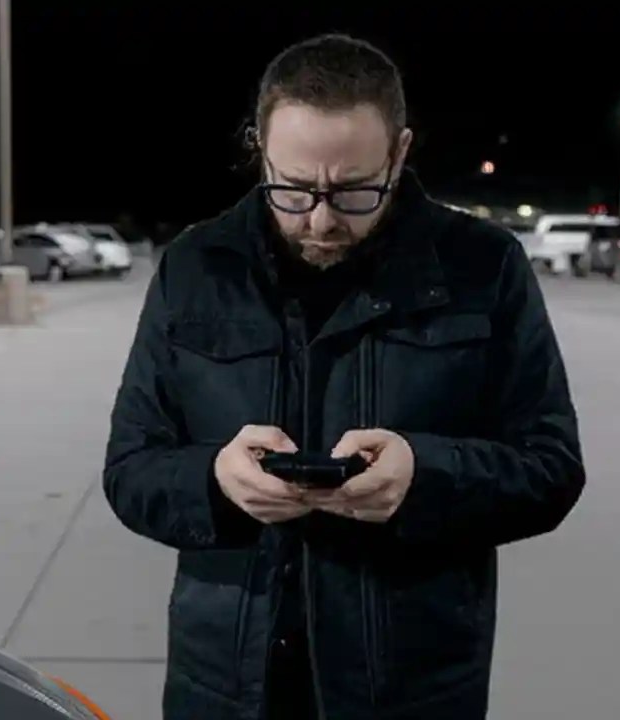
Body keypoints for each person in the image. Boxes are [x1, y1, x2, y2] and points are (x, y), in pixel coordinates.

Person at [102, 33, 585, 720]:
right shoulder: (195, 266)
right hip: (225, 690)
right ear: (258, 150)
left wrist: (425, 476)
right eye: (293, 190)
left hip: (412, 690)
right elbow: (129, 469)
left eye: (355, 191)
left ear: (401, 152)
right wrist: (214, 481)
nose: (322, 219)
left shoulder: (483, 267)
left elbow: (551, 468)